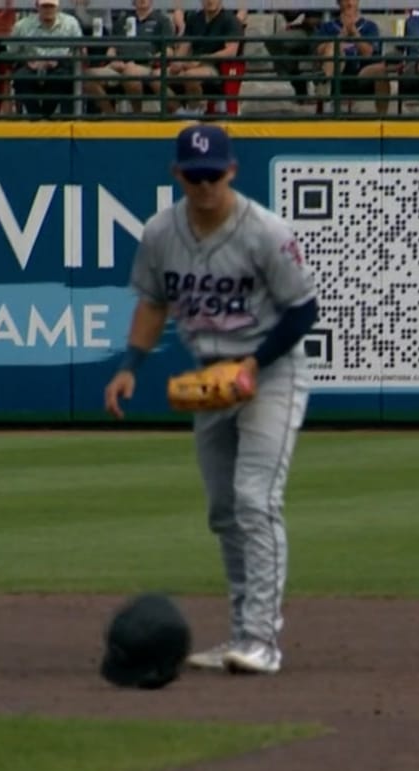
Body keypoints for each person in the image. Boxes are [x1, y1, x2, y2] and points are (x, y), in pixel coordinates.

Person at [104, 123, 320, 675]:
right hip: (210, 376)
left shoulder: (265, 231)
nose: (204, 186)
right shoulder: (160, 232)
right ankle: (239, 635)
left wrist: (255, 361)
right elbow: (153, 302)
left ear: (232, 171)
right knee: (225, 513)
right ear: (178, 174)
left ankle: (261, 642)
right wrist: (131, 367)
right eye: (194, 176)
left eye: (213, 175)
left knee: (255, 501)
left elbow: (302, 311)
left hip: (270, 373)